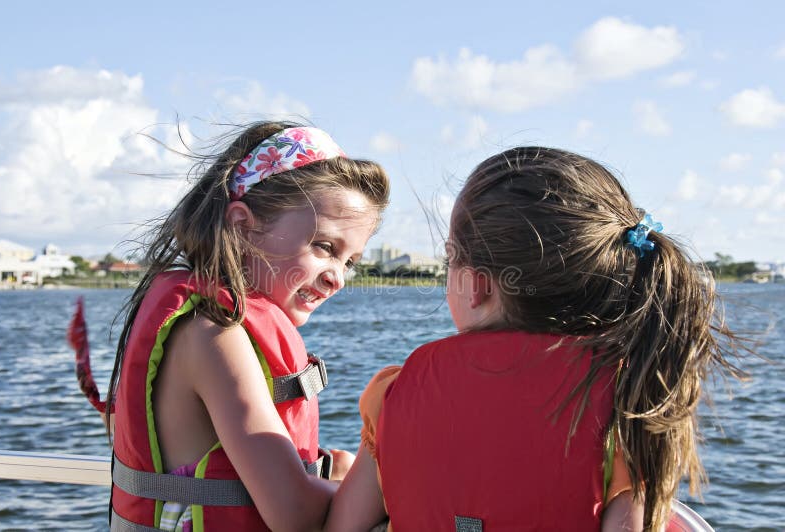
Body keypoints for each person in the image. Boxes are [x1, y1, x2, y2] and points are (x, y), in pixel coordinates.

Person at [325, 147, 744, 532]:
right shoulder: (625, 399)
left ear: (478, 286)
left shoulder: (392, 395)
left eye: (451, 258)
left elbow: (341, 529)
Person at [105, 121, 389, 531]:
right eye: (324, 247)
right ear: (242, 227)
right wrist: (364, 481)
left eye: (349, 262)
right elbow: (295, 515)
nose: (338, 277)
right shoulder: (215, 335)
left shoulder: (204, 324)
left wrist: (324, 471)